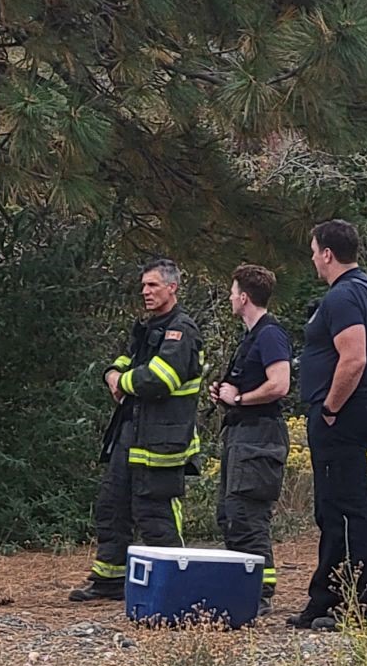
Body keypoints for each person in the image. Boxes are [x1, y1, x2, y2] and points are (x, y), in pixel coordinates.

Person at [71, 259, 204, 602]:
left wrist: (122, 382)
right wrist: (113, 374)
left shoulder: (181, 331)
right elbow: (124, 361)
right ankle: (109, 581)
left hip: (162, 441)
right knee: (112, 506)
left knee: (154, 512)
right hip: (132, 433)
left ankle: (177, 586)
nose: (145, 291)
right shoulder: (149, 328)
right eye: (144, 285)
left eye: (153, 285)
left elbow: (159, 379)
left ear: (172, 288)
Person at [291, 220, 367, 632]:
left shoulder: (346, 295)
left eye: (314, 250)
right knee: (332, 508)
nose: (313, 258)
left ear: (327, 253)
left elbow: (354, 358)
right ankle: (326, 599)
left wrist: (330, 408)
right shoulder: (364, 290)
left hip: (344, 413)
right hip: (354, 411)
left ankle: (355, 605)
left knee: (346, 511)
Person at [210, 265, 291, 615]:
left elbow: (279, 384)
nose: (229, 297)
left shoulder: (270, 335)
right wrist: (225, 393)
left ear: (244, 297)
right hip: (242, 435)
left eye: (232, 291)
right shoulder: (251, 337)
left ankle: (260, 594)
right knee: (229, 515)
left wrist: (239, 399)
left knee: (247, 515)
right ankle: (242, 588)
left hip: (260, 437)